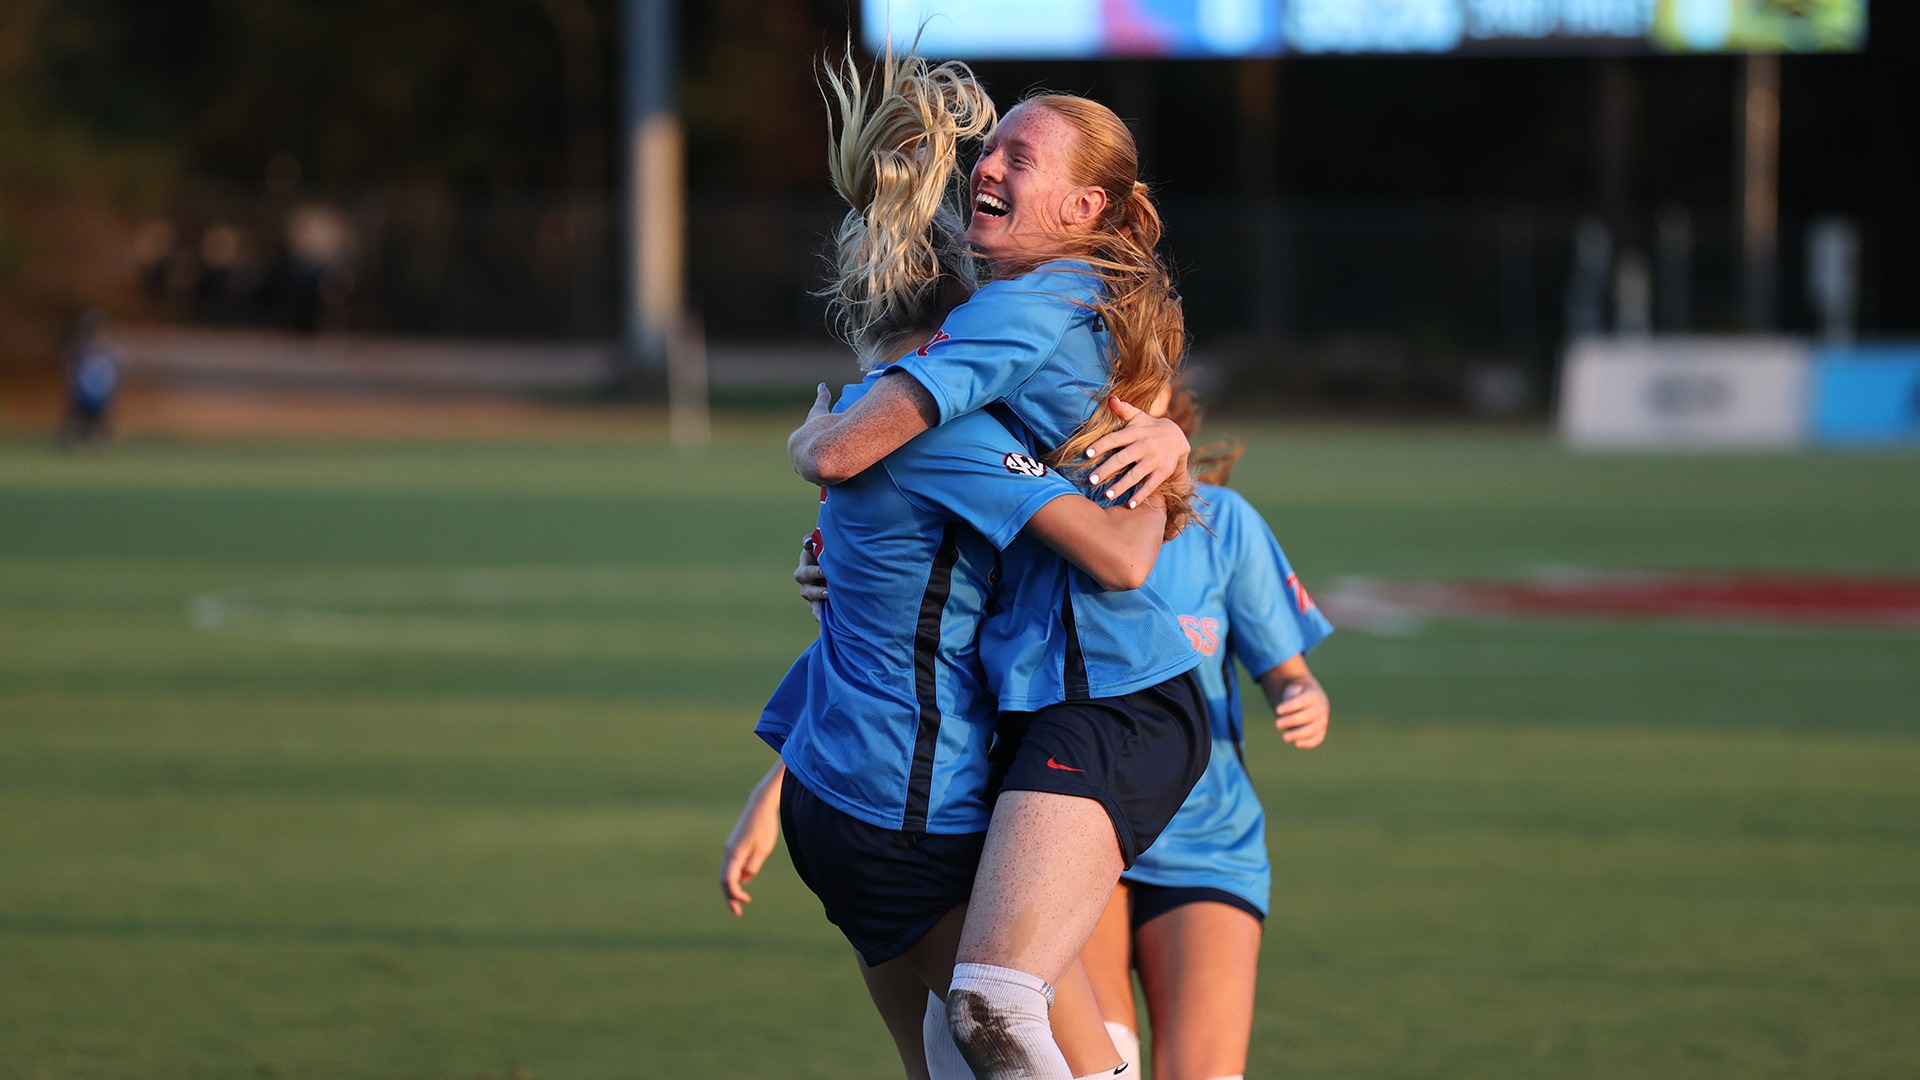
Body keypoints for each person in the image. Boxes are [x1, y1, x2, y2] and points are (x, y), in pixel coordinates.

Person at [741, 47, 1186, 1080]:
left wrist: (814, 447)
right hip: (918, 797)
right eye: (991, 149)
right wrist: (1163, 450)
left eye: (1013, 154)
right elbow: (1121, 546)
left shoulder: (916, 389)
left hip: (848, 786)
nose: (989, 164)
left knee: (967, 1043)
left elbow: (852, 490)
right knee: (1041, 1040)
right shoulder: (960, 425)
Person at [1078, 390, 1334, 1080]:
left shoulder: (1225, 524)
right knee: (1103, 1071)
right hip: (1077, 840)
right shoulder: (1046, 509)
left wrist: (1302, 695)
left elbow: (1288, 672)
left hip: (1208, 847)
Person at [60, 309, 121, 446]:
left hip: (100, 393)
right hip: (84, 393)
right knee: (80, 420)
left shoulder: (109, 351)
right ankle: (76, 440)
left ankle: (94, 442)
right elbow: (72, 371)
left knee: (98, 420)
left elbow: (114, 374)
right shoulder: (80, 350)